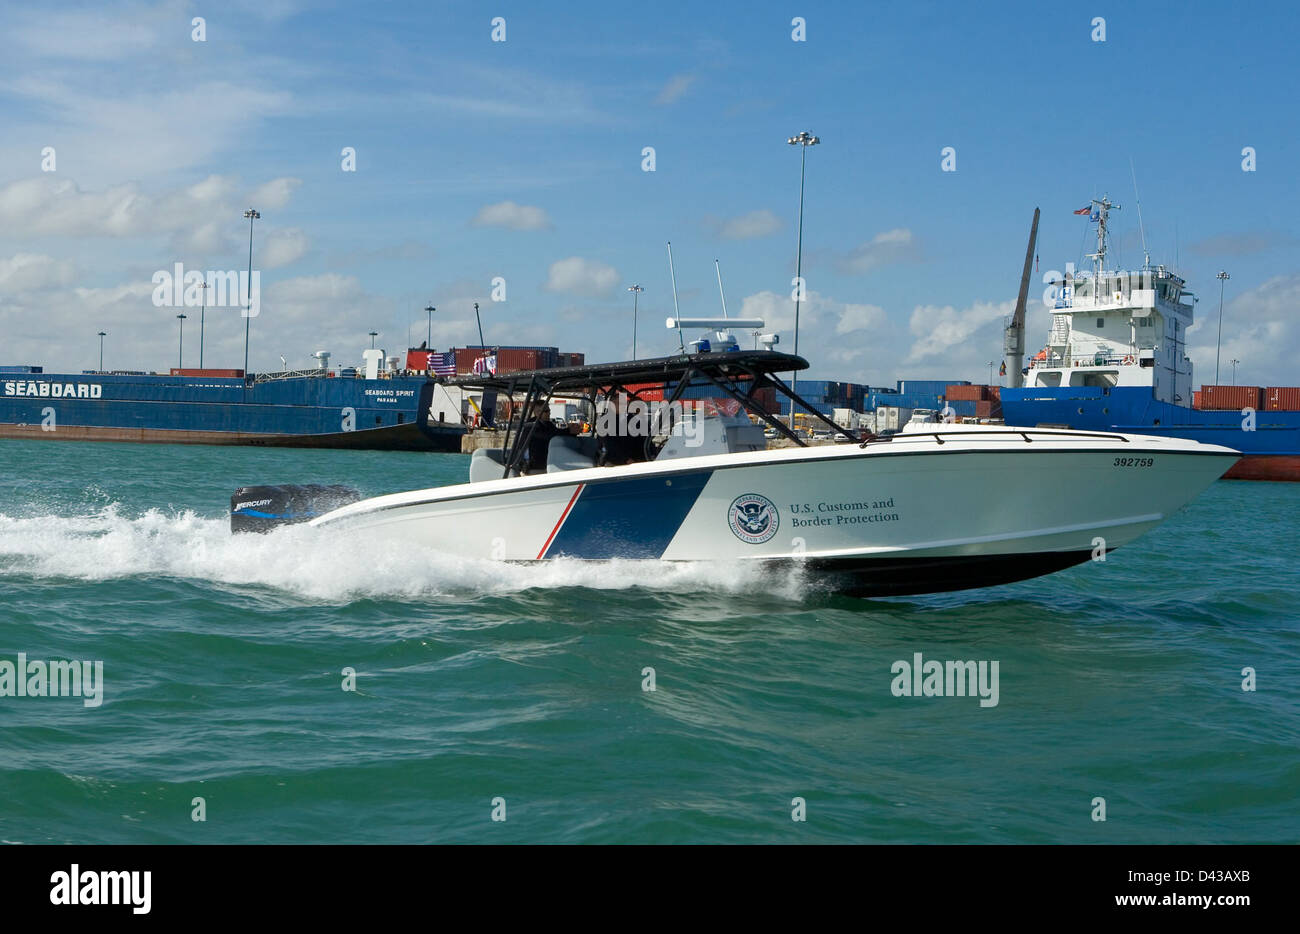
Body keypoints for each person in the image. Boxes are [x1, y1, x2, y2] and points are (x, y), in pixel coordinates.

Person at [595, 393, 644, 466]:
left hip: (632, 459)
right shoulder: (606, 421)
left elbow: (637, 439)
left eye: (625, 403)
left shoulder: (626, 419)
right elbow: (609, 445)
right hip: (614, 462)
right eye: (620, 403)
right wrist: (626, 459)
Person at [522, 401, 561, 472]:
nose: (549, 413)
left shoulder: (548, 424)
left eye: (549, 410)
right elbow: (546, 435)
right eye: (546, 411)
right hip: (533, 467)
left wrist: (570, 431)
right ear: (537, 412)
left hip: (546, 464)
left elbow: (557, 433)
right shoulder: (531, 425)